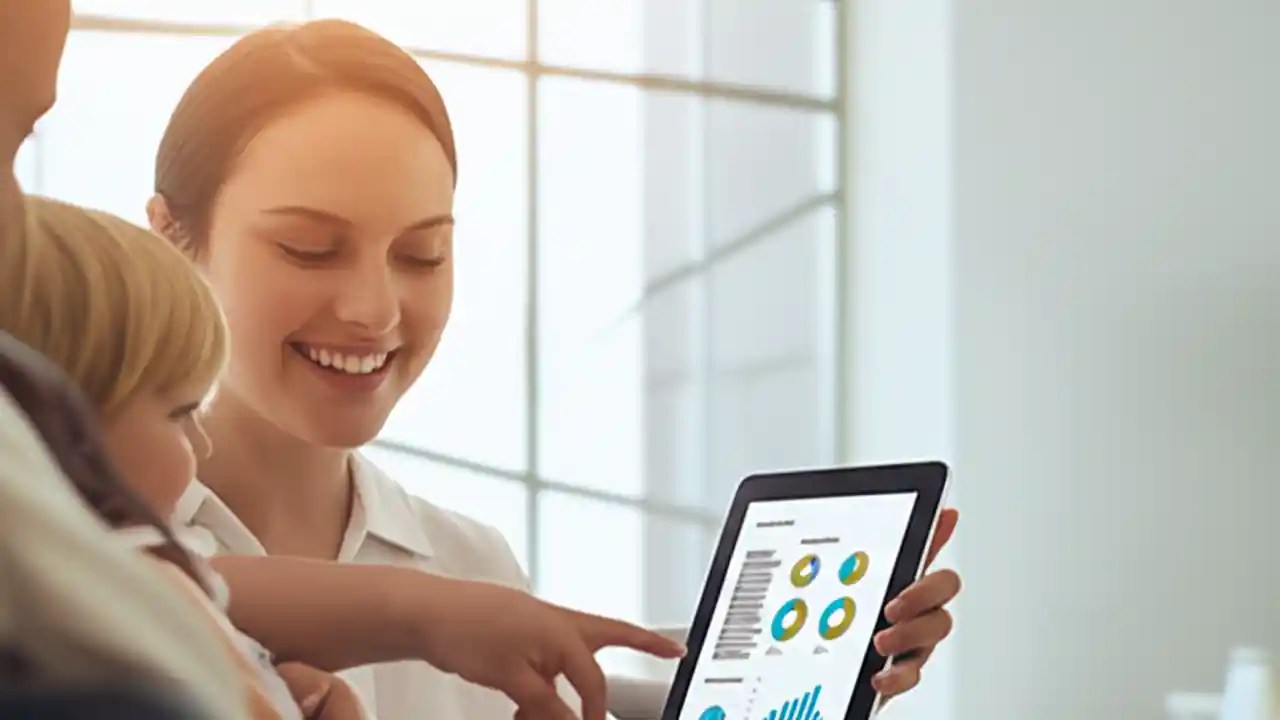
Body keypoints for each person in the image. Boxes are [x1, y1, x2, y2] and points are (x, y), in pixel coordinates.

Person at [145, 17, 962, 719]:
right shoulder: (82, 550)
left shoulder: (472, 564)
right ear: (172, 239)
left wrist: (811, 677)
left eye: (421, 254)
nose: (376, 309)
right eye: (310, 249)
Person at [1, 194, 686, 720]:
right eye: (181, 414)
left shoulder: (120, 584)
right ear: (61, 420)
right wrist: (428, 615)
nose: (372, 310)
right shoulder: (111, 595)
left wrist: (433, 616)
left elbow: (225, 587)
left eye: (423, 254)